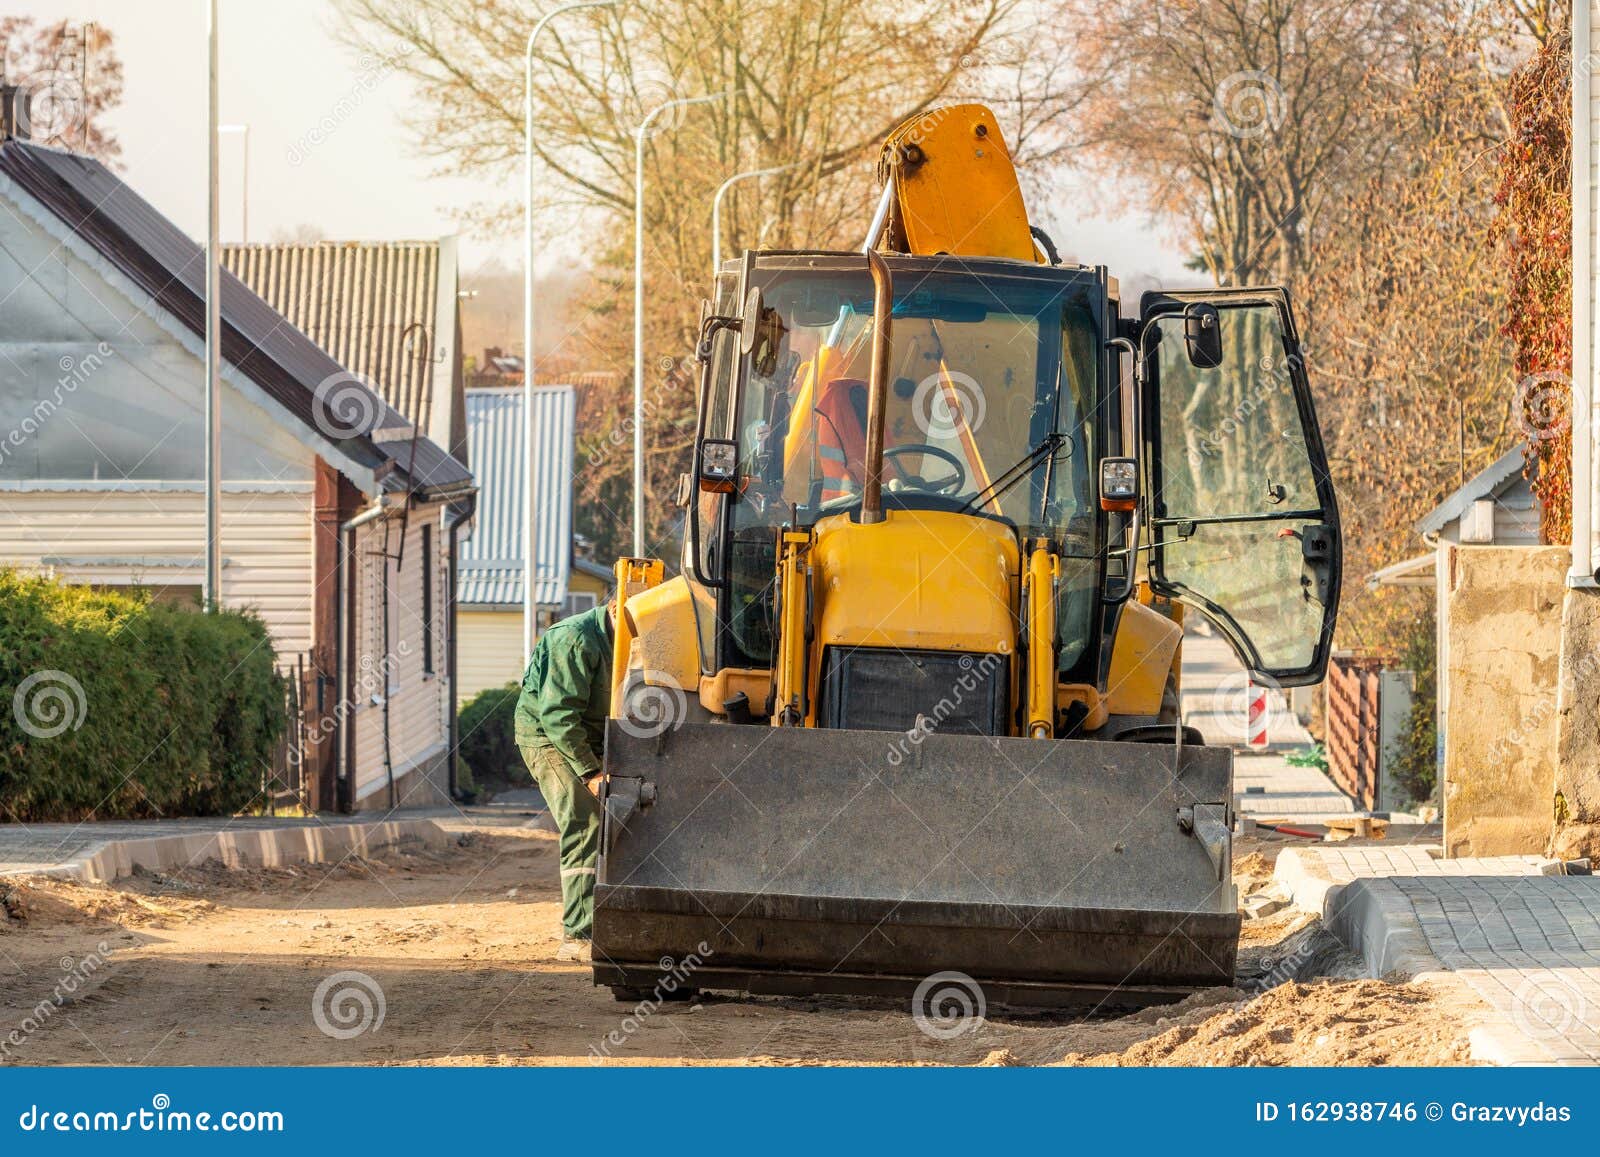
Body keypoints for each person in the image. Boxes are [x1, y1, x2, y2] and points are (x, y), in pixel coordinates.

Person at [514, 598, 614, 962]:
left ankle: (603, 921)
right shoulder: (575, 640)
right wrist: (590, 772)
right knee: (586, 821)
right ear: (618, 608)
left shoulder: (628, 636)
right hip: (549, 736)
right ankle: (578, 936)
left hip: (588, 735)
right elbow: (558, 717)